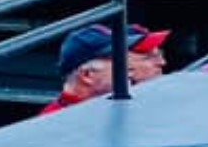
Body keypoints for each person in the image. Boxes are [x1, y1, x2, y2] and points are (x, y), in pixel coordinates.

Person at [39, 22, 171, 115]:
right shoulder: (56, 125)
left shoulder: (111, 106)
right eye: (147, 57)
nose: (163, 62)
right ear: (87, 75)